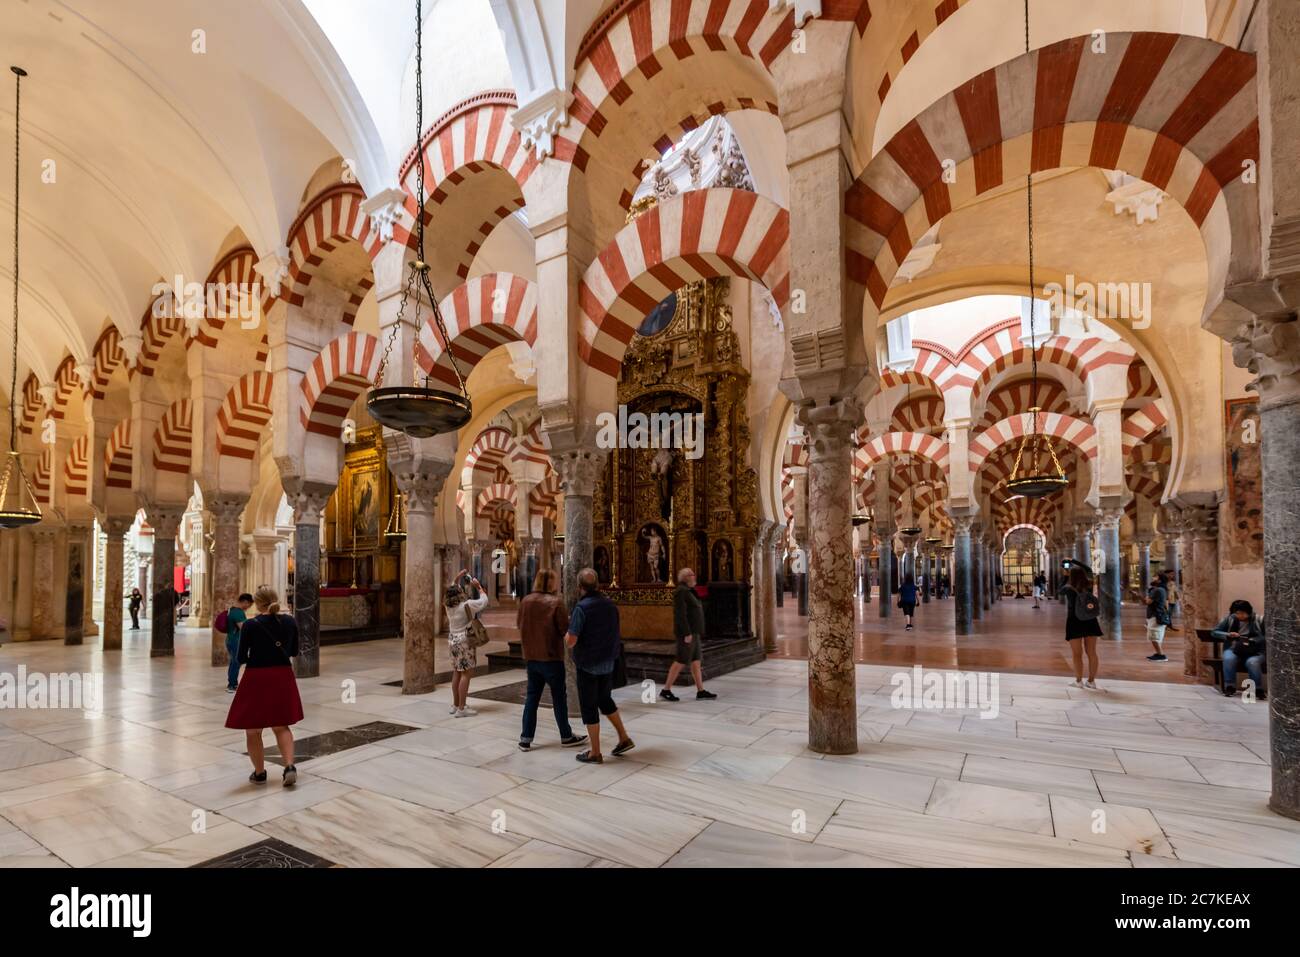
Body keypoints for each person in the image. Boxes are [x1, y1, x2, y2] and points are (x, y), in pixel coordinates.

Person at [224, 586, 303, 786]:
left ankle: (259, 773)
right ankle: (289, 766)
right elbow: (294, 651)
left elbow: (241, 657)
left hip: (257, 677)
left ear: (257, 603)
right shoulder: (290, 621)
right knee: (281, 725)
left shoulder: (251, 625)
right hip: (282, 675)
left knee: (253, 729)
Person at [565, 568, 635, 764]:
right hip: (608, 662)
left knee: (589, 706)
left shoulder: (582, 608)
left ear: (580, 587)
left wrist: (566, 635)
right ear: (597, 585)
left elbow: (571, 641)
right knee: (605, 700)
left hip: (588, 663)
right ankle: (623, 737)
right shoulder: (610, 605)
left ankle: (595, 752)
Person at [516, 569, 587, 750]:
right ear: (552, 583)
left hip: (532, 657)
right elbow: (565, 629)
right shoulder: (555, 602)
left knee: (532, 698)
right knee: (558, 698)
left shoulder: (525, 601)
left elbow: (519, 624)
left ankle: (525, 738)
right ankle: (566, 735)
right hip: (551, 658)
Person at [661, 568, 717, 701]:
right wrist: (686, 633)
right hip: (687, 633)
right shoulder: (681, 592)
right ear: (686, 578)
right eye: (692, 575)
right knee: (681, 660)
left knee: (696, 661)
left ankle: (700, 690)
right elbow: (680, 614)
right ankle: (666, 689)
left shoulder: (689, 591)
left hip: (694, 632)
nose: (694, 576)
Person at [445, 570, 490, 717]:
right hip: (465, 641)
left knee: (457, 672)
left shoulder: (448, 605)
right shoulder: (467, 605)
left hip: (452, 640)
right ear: (460, 594)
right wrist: (478, 587)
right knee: (466, 674)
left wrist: (457, 576)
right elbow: (484, 601)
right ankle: (462, 709)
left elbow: (452, 586)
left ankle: (455, 704)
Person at [1060, 566, 1103, 691]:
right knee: (1092, 653)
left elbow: (1059, 590)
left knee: (1077, 654)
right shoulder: (1089, 585)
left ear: (1071, 576)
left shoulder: (1068, 588)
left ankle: (1079, 681)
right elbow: (1089, 569)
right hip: (1090, 620)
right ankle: (1091, 681)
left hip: (1074, 621)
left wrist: (1065, 576)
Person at [1213, 599, 1266, 698]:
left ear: (1248, 612)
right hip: (1234, 648)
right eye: (1237, 613)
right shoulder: (1230, 619)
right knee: (1229, 659)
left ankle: (1257, 688)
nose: (1240, 616)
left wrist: (1252, 640)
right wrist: (1228, 635)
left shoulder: (1259, 620)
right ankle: (1230, 686)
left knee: (1252, 662)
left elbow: (1266, 636)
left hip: (1255, 651)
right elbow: (1215, 632)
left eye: (1243, 613)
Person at [223, 593, 254, 692]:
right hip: (235, 640)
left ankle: (232, 682)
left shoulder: (232, 610)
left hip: (230, 639)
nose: (249, 607)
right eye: (249, 605)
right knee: (236, 662)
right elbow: (243, 628)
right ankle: (232, 685)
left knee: (234, 662)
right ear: (245, 602)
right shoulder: (238, 612)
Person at [1143, 572, 1171, 662]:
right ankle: (1158, 653)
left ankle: (1161, 655)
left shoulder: (1157, 590)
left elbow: (1148, 602)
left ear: (1159, 580)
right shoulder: (1163, 589)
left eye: (1155, 576)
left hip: (1155, 615)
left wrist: (1141, 596)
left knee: (1153, 636)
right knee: (1157, 635)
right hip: (1159, 614)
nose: (1153, 577)